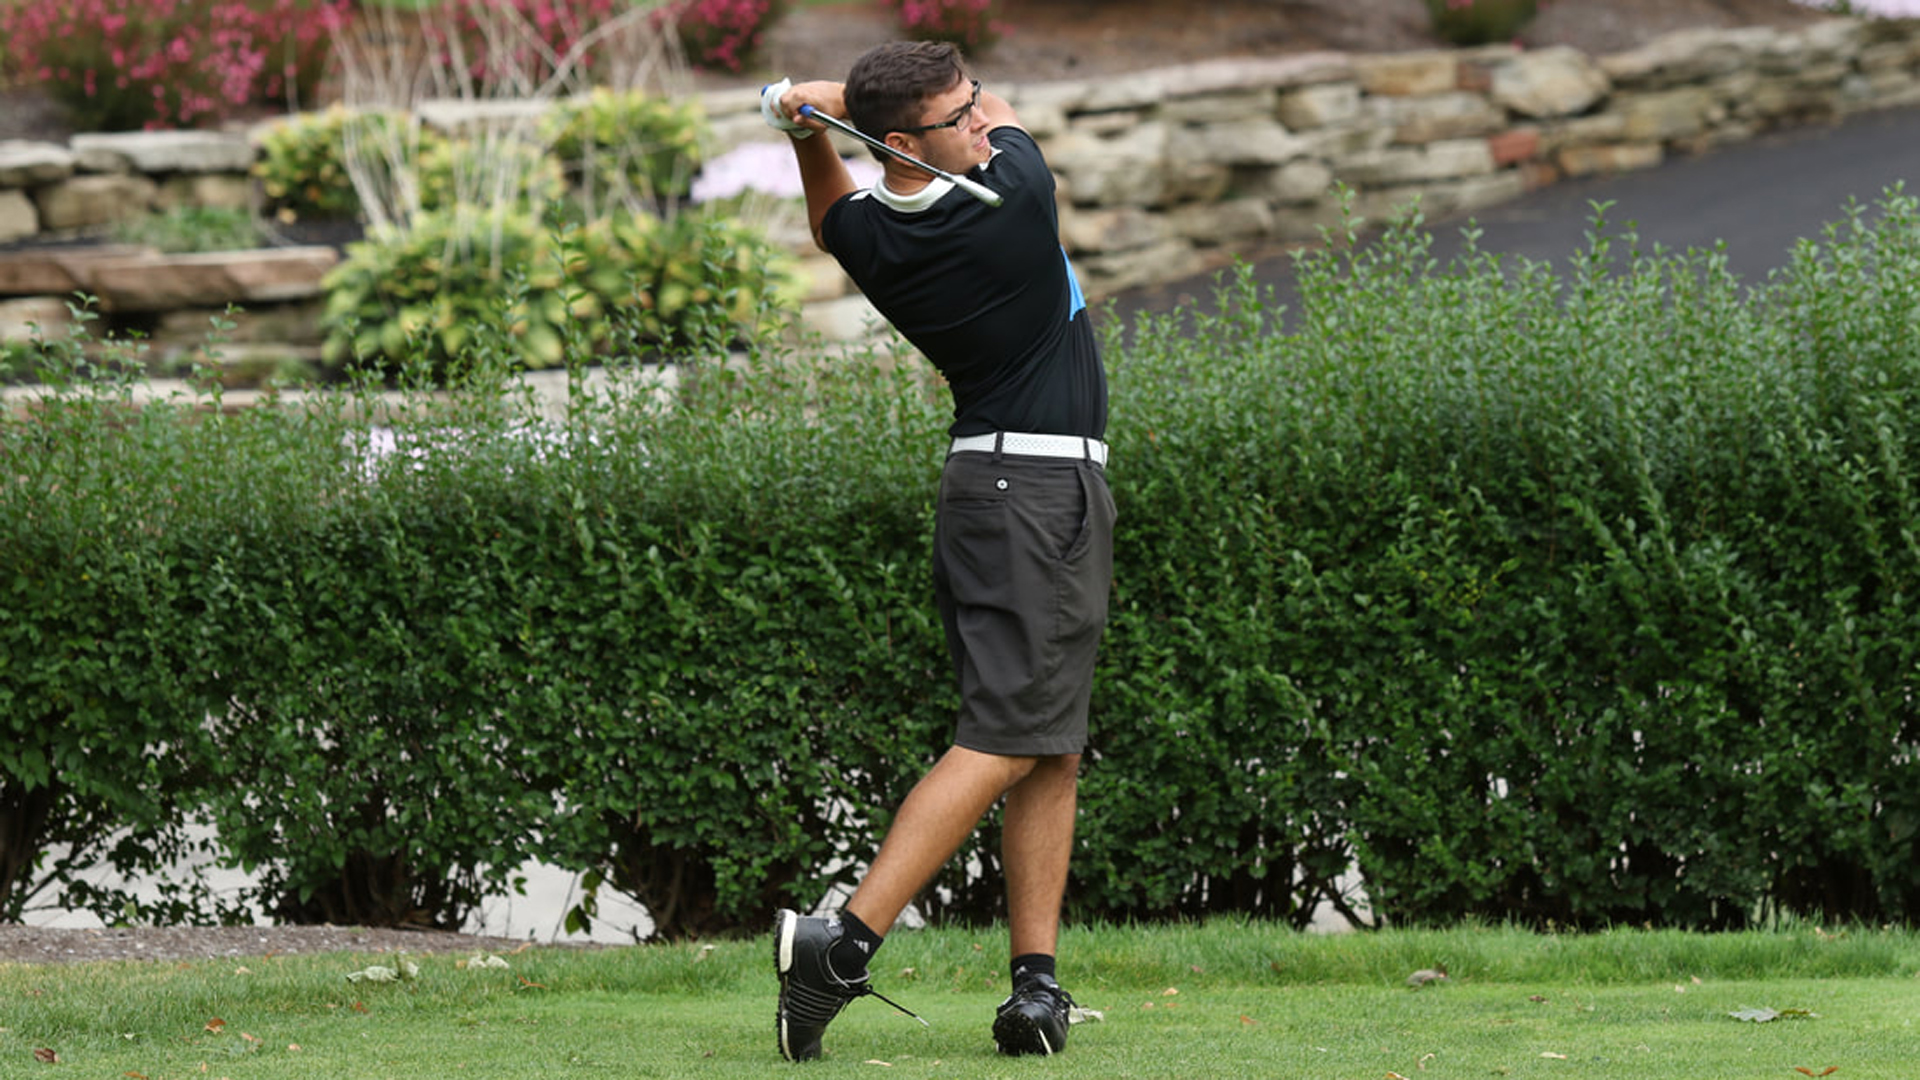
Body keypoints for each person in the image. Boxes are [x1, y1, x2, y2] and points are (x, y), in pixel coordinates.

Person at [760, 41, 1116, 1063]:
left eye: (969, 105)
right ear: (904, 142)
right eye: (954, 116)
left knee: (1046, 737)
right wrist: (827, 101)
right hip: (1039, 494)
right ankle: (842, 943)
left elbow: (830, 208)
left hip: (991, 489)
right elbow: (1007, 114)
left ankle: (1035, 990)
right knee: (1008, 734)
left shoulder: (870, 235)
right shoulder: (1012, 198)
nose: (976, 121)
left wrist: (804, 123)